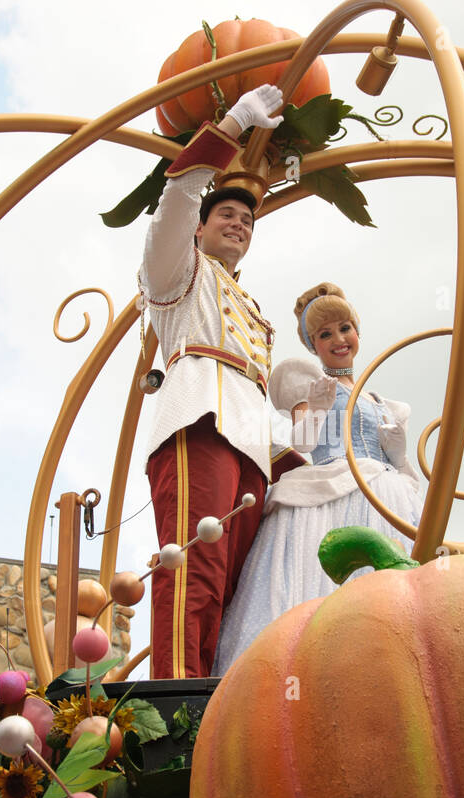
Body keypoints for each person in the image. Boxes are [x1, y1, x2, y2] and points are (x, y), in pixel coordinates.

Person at [138, 84, 301, 680]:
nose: (239, 224)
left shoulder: (256, 312)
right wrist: (231, 125)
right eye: (226, 215)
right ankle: (176, 704)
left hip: (251, 448)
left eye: (247, 221)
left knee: (235, 591)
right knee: (192, 573)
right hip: (199, 420)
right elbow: (177, 200)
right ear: (201, 230)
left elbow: (254, 395)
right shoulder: (178, 272)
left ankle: (217, 706)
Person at [212, 282, 424, 676]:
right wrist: (320, 407)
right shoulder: (309, 383)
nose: (338, 339)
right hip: (329, 491)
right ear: (313, 346)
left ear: (357, 332)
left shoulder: (383, 402)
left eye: (344, 328)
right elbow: (304, 442)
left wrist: (397, 450)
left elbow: (409, 475)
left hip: (386, 492)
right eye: (324, 334)